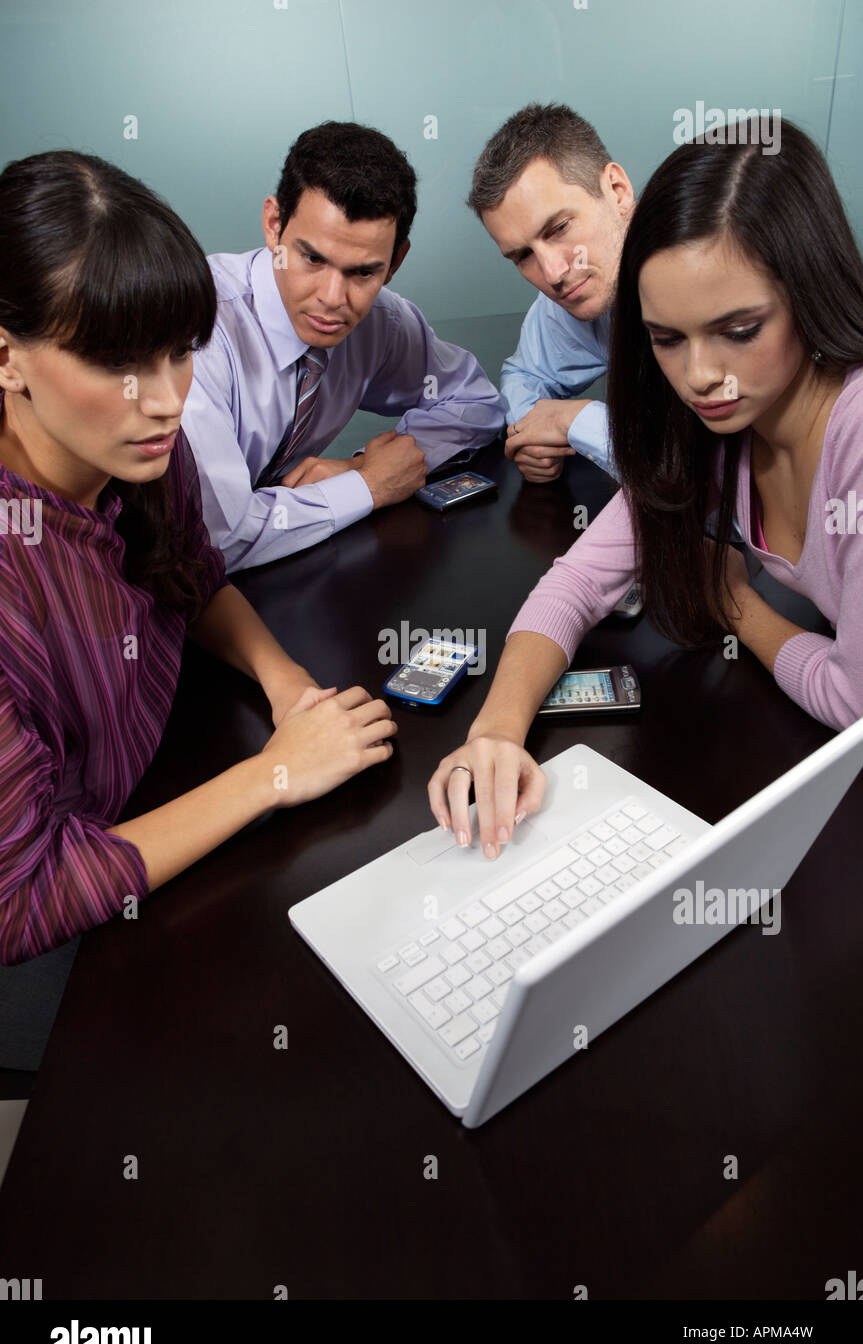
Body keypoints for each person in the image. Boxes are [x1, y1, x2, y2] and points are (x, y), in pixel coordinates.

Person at [0, 151, 397, 1069]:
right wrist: (275, 775)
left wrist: (284, 680)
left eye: (181, 350)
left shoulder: (138, 443)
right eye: (118, 362)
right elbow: (23, 900)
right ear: (8, 356)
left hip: (163, 768)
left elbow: (189, 570)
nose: (171, 399)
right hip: (87, 909)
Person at [429, 118, 863, 856]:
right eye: (666, 339)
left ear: (806, 289)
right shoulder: (716, 427)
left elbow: (853, 703)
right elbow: (574, 585)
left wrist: (729, 600)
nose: (698, 376)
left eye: (738, 328)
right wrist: (496, 730)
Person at [181, 121, 505, 571]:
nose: (333, 300)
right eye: (312, 258)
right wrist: (368, 485)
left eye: (363, 272)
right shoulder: (197, 327)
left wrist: (367, 465)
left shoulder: (384, 323)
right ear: (274, 226)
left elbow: (477, 403)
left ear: (396, 261)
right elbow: (218, 536)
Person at [468, 103, 635, 483]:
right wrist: (537, 436)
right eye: (523, 255)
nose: (553, 274)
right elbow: (525, 374)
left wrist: (574, 420)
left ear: (617, 191)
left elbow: (706, 475)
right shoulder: (583, 282)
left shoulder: (703, 269)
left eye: (558, 228)